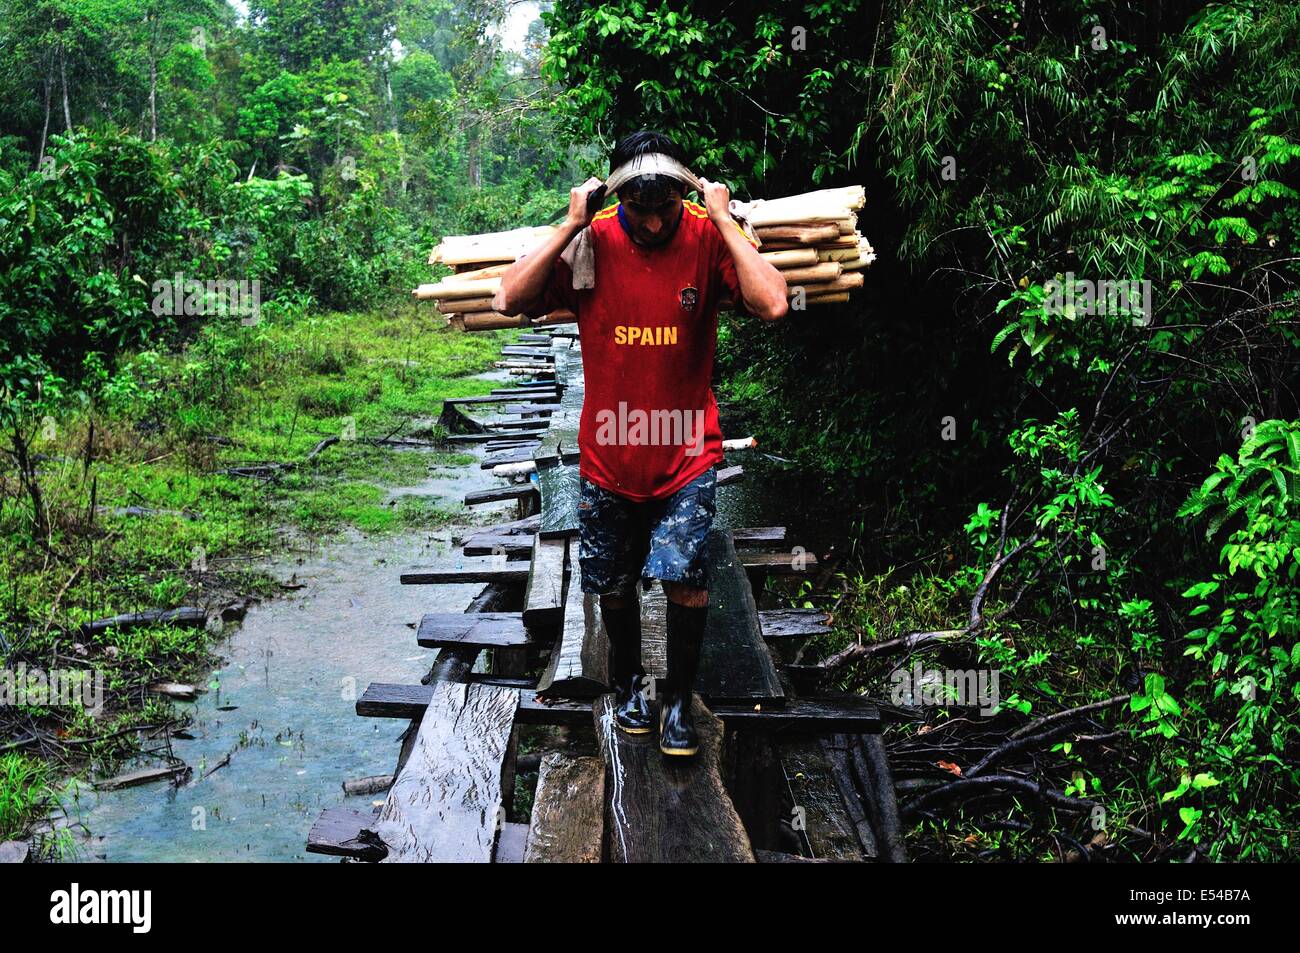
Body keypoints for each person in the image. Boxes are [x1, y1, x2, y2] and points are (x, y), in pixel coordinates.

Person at [494, 130, 788, 755]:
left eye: (666, 207)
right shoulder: (591, 243)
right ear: (614, 198)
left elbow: (772, 304)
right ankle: (628, 685)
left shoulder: (707, 239)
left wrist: (725, 220)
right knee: (612, 583)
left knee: (685, 575)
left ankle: (677, 699)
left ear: (683, 195)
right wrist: (570, 223)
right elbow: (507, 298)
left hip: (686, 452)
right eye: (639, 208)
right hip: (609, 456)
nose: (654, 221)